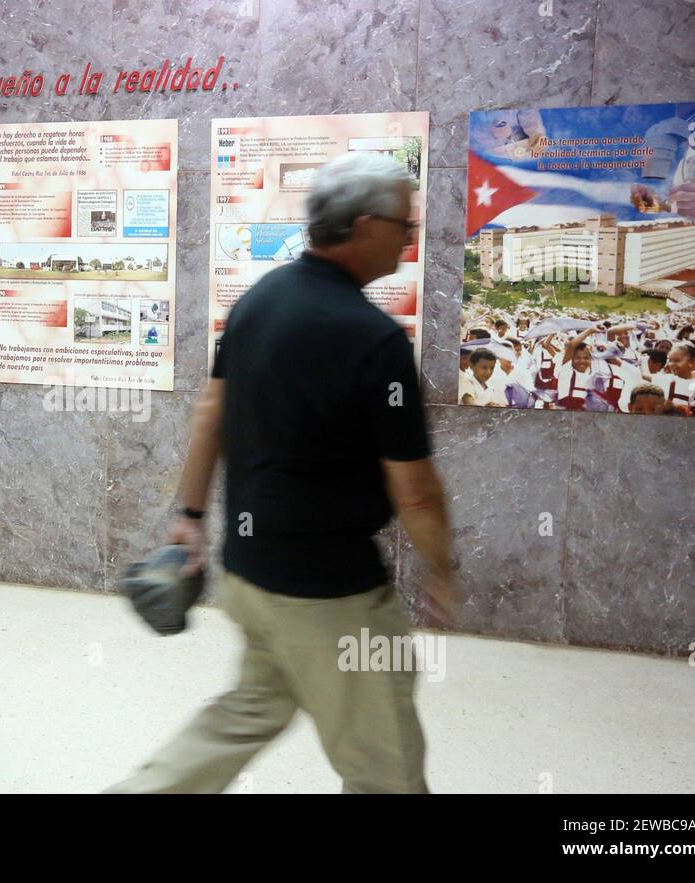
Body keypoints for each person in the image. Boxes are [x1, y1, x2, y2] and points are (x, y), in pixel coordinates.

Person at [105, 152, 457, 795]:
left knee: (244, 716)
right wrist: (442, 567)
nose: (410, 237)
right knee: (388, 771)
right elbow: (416, 490)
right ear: (363, 226)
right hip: (330, 598)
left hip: (251, 577)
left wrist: (188, 519)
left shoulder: (258, 303)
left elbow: (210, 410)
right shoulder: (375, 341)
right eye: (403, 225)